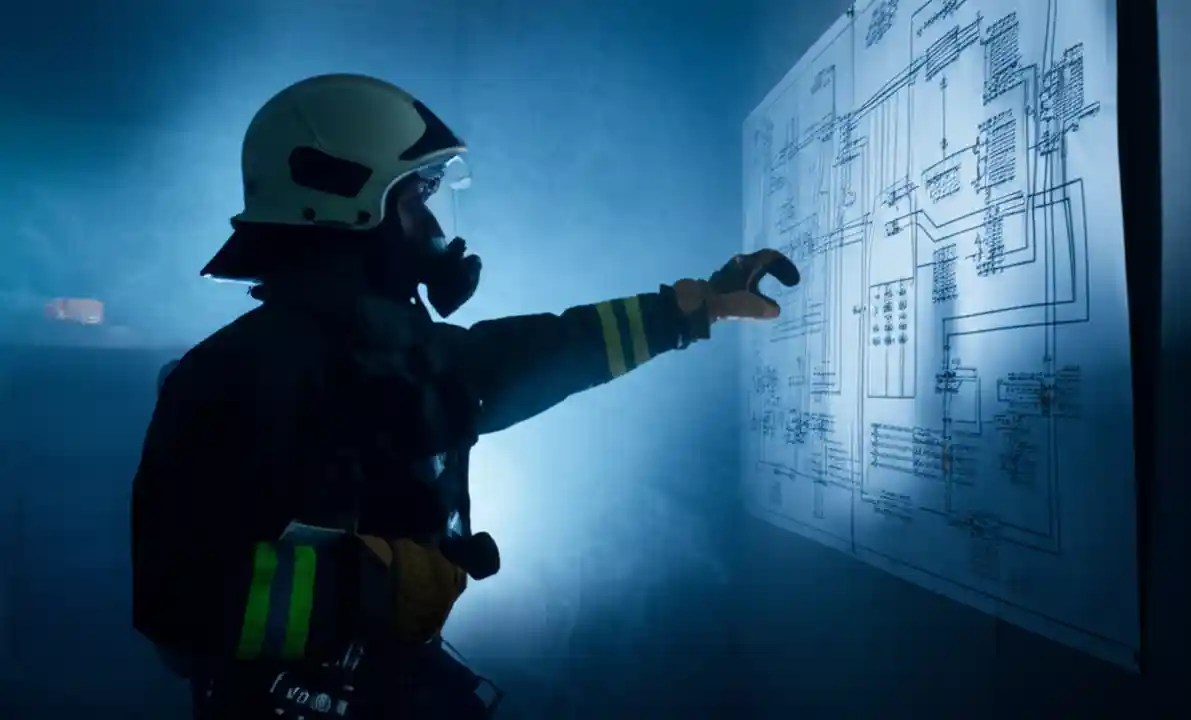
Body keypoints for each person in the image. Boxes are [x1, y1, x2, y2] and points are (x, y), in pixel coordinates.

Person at [130, 73, 799, 719]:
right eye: (418, 200)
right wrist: (366, 589)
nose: (434, 231)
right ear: (346, 200)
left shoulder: (391, 356)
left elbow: (535, 356)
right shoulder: (228, 377)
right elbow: (174, 598)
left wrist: (687, 311)